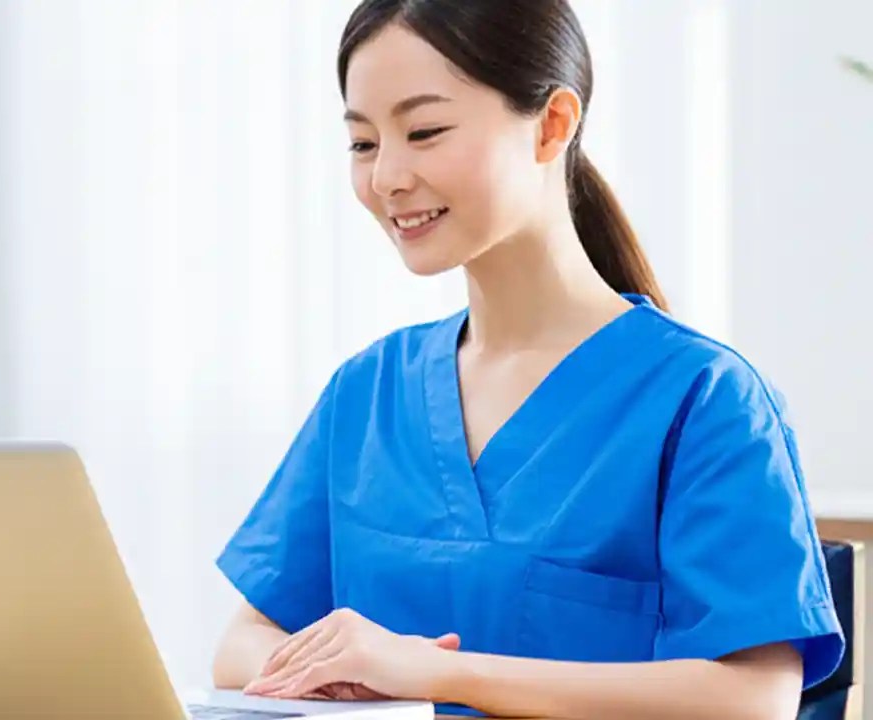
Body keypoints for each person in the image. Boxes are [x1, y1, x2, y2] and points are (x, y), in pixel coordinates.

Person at [210, 1, 844, 718]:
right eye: (362, 143)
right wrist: (355, 670)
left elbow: (752, 698)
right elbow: (241, 644)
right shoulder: (368, 390)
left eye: (424, 131)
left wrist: (437, 674)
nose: (386, 176)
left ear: (552, 125)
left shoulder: (703, 398)